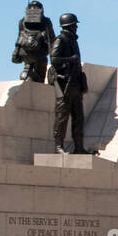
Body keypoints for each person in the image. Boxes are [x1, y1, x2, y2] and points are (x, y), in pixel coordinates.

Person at [50, 13, 88, 154]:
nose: (76, 26)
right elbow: (54, 59)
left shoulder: (74, 41)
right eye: (74, 24)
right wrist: (70, 59)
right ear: (69, 26)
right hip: (64, 84)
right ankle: (58, 147)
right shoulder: (60, 40)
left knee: (79, 118)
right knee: (62, 117)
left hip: (75, 84)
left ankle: (79, 147)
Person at [11, 0, 56, 83]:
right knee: (39, 76)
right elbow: (51, 39)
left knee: (27, 67)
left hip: (25, 54)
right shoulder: (46, 21)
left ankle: (26, 75)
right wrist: (53, 56)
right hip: (40, 54)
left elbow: (19, 38)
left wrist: (15, 52)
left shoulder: (22, 21)